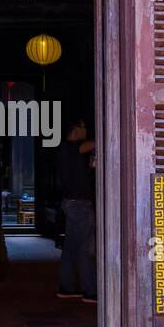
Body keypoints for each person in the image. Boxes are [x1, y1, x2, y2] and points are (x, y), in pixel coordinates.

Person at [56, 116, 97, 303]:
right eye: (84, 126)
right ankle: (90, 290)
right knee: (85, 248)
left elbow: (79, 172)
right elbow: (91, 145)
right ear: (75, 129)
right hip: (79, 205)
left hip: (72, 203)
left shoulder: (70, 151)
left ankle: (67, 287)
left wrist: (90, 167)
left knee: (71, 247)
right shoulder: (70, 147)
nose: (86, 130)